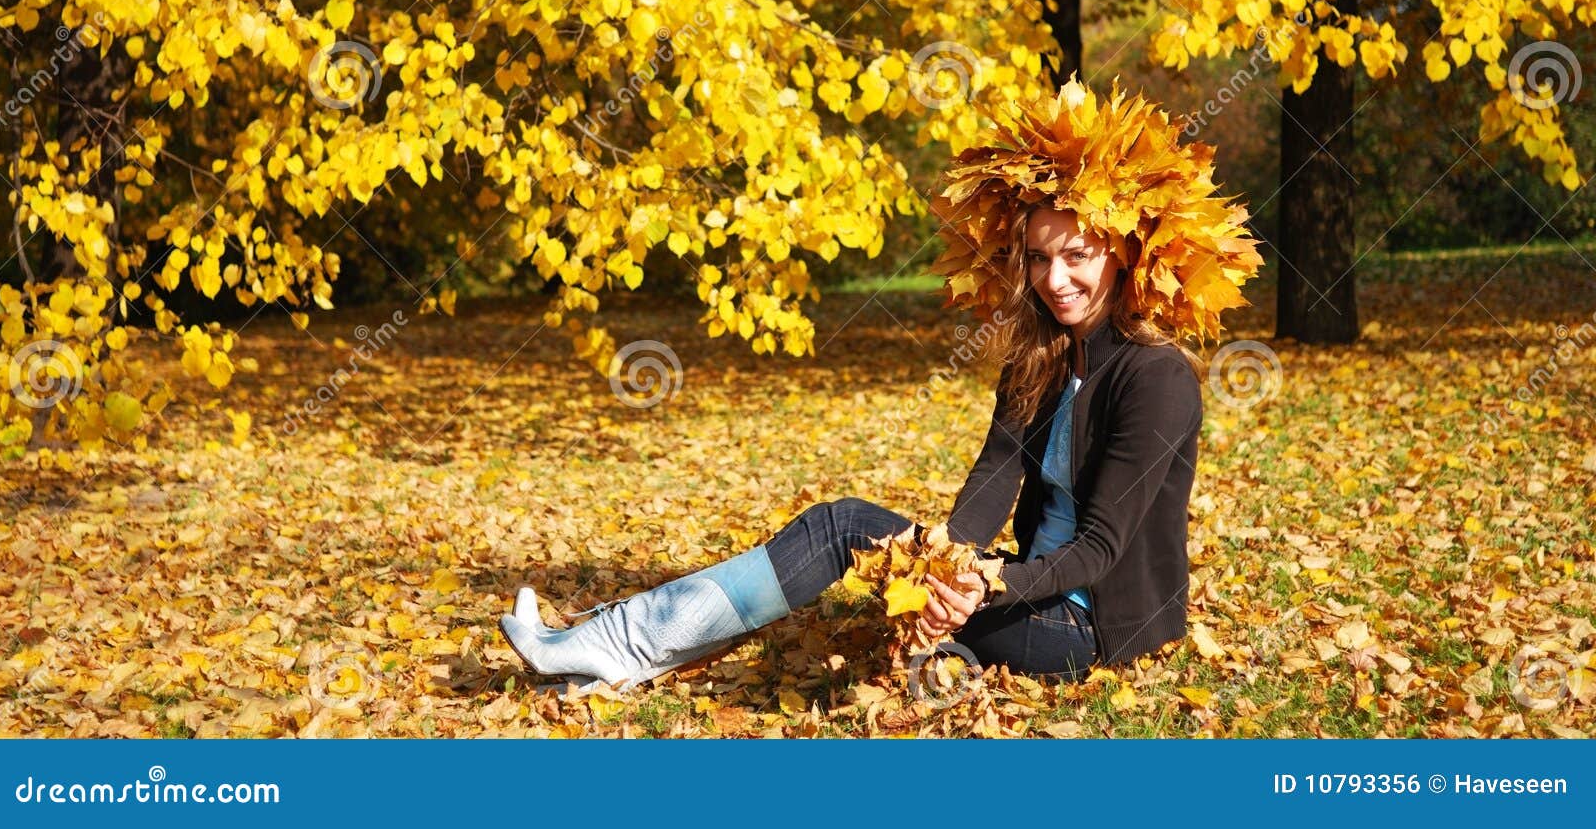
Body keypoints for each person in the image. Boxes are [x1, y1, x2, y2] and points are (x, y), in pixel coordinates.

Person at [499, 77, 1262, 694]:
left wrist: (985, 585)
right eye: (1037, 258)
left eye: (1076, 255)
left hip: (1087, 627)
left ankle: (614, 646)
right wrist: (948, 564)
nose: (1054, 279)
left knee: (854, 543)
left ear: (1123, 254)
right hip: (1011, 587)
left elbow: (1099, 547)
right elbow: (996, 476)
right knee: (838, 526)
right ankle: (616, 644)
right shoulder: (1042, 354)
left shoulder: (1156, 377)